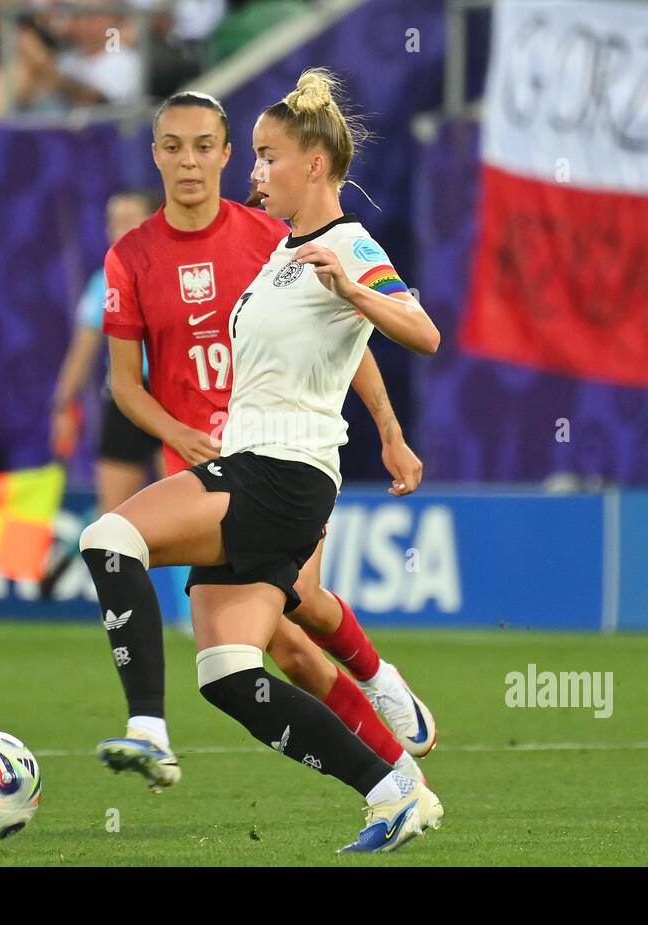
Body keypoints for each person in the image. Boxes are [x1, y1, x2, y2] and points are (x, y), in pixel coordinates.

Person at [79, 70, 443, 852]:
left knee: (109, 540)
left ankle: (147, 727)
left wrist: (358, 294)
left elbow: (421, 330)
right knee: (231, 675)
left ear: (313, 165)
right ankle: (394, 794)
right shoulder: (285, 253)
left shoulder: (345, 243)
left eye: (264, 156)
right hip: (261, 467)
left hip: (280, 472)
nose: (254, 172)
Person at [51, 191, 164, 514]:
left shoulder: (179, 276)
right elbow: (82, 352)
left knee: (188, 513)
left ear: (154, 223)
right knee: (112, 519)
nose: (119, 230)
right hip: (124, 403)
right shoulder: (102, 282)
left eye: (129, 221)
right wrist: (63, 406)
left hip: (173, 402)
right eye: (113, 222)